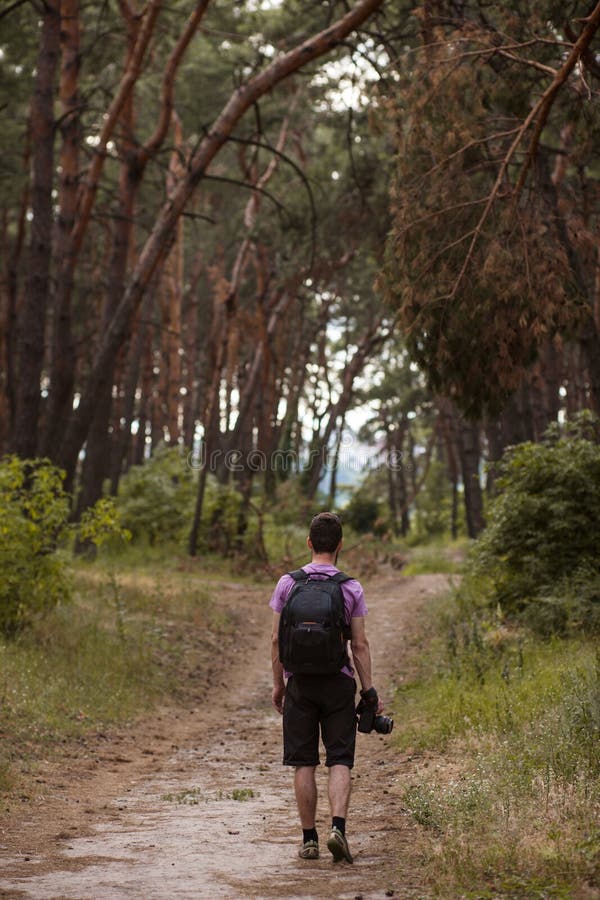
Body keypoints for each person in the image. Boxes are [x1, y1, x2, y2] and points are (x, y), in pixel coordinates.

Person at [270, 511, 383, 863]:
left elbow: (276, 640)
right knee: (339, 760)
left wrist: (279, 686)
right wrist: (368, 691)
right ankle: (338, 828)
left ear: (309, 543)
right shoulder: (350, 587)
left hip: (299, 684)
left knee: (303, 762)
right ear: (340, 545)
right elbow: (359, 645)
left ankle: (309, 840)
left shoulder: (287, 584)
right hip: (338, 683)